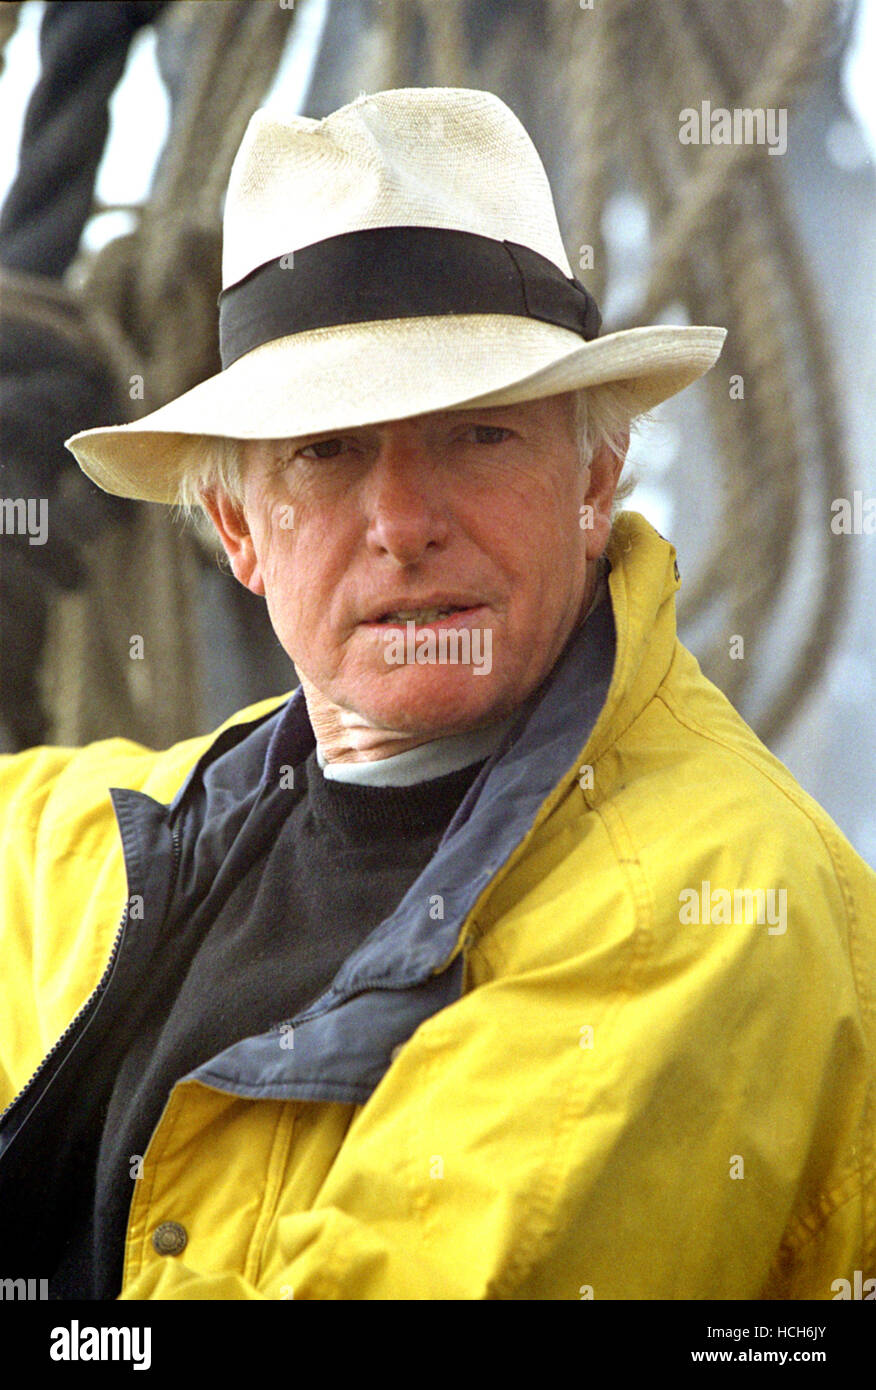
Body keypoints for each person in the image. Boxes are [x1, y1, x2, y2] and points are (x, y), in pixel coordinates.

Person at [1, 86, 874, 1302]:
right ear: (238, 528)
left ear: (597, 478)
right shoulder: (128, 838)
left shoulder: (704, 899)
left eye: (479, 435)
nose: (404, 524)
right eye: (328, 448)